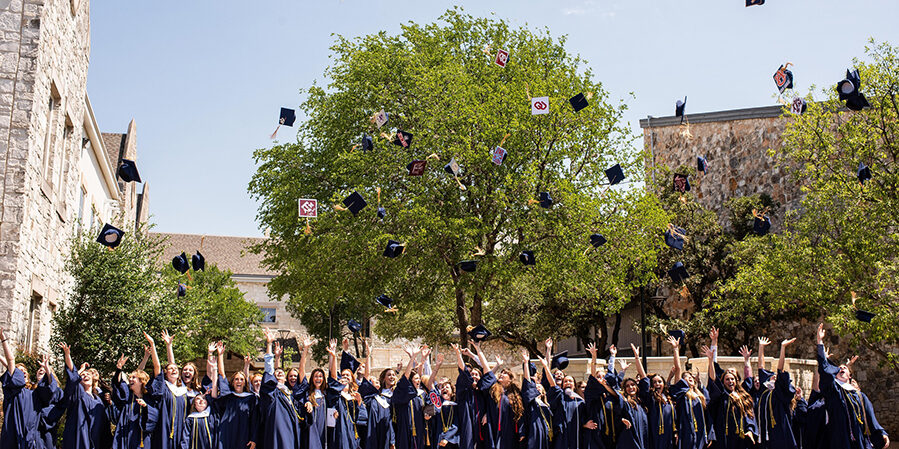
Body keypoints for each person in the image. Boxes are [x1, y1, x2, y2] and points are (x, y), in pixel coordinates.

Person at [814, 323, 889, 449]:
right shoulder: (833, 390)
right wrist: (820, 342)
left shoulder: (859, 395)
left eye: (845, 368)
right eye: (839, 369)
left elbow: (870, 416)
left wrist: (881, 433)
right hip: (839, 439)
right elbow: (825, 372)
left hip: (859, 439)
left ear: (850, 375)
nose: (842, 368)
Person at [705, 328, 757, 449]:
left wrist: (750, 430)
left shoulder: (743, 397)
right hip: (724, 437)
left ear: (737, 381)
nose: (730, 381)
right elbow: (713, 378)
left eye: (732, 379)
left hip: (741, 438)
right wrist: (714, 344)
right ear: (722, 382)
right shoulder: (721, 395)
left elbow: (750, 416)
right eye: (727, 379)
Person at [258, 329, 307, 449]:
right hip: (277, 430)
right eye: (277, 373)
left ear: (285, 378)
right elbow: (269, 370)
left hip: (291, 429)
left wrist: (305, 350)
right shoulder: (272, 392)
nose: (279, 372)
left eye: (281, 372)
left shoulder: (290, 394)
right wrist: (269, 345)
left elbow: (302, 380)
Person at [58, 341, 112, 449]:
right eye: (83, 375)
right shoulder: (77, 394)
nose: (86, 375)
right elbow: (72, 376)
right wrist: (68, 355)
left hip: (95, 441)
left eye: (88, 374)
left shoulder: (98, 400)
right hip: (78, 439)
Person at [210, 341, 261, 449]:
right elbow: (222, 375)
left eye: (241, 379)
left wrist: (254, 438)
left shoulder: (251, 399)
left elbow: (255, 421)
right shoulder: (228, 397)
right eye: (236, 379)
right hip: (227, 434)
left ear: (245, 382)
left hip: (244, 436)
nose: (239, 381)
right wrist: (220, 355)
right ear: (232, 382)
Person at [754, 336, 801, 449]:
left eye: (776, 377)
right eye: (772, 376)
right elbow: (761, 367)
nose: (773, 376)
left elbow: (780, 369)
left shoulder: (780, 392)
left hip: (779, 431)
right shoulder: (764, 390)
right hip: (765, 433)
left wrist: (783, 348)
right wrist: (761, 347)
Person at [475, 342, 522, 449]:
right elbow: (486, 368)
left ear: (510, 379)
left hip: (508, 431)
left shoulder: (515, 395)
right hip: (492, 426)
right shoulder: (493, 388)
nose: (501, 374)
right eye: (501, 372)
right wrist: (478, 349)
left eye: (505, 373)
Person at [0, 327, 39, 449]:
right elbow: (11, 361)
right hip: (13, 431)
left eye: (25, 371)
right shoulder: (15, 388)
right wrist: (3, 338)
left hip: (29, 436)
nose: (23, 373)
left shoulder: (33, 392)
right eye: (20, 371)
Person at [109, 352, 159, 449]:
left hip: (141, 437)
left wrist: (145, 407)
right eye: (129, 377)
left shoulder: (149, 397)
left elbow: (154, 417)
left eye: (133, 377)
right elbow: (117, 383)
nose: (130, 379)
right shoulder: (127, 395)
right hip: (125, 433)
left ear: (141, 381)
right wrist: (119, 369)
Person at [668, 338, 710, 449]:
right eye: (686, 377)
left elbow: (708, 416)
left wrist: (710, 433)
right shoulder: (682, 392)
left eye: (691, 377)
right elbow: (678, 369)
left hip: (701, 432)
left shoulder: (701, 395)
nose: (690, 378)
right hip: (687, 431)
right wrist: (676, 349)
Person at [632, 341, 674, 449]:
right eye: (654, 382)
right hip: (654, 436)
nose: (657, 384)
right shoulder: (650, 398)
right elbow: (643, 376)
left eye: (660, 381)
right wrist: (637, 357)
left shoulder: (669, 399)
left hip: (669, 436)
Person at [326, 339, 367, 449]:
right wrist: (333, 357)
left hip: (352, 432)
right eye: (342, 375)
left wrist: (359, 402)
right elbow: (333, 376)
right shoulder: (336, 394)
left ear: (352, 379)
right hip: (339, 429)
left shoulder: (354, 396)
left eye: (347, 375)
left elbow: (362, 417)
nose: (344, 377)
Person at [357, 339, 395, 449]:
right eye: (373, 382)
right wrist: (368, 356)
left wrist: (392, 439)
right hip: (372, 434)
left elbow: (389, 420)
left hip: (385, 434)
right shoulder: (370, 398)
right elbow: (367, 375)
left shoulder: (385, 399)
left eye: (378, 381)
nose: (376, 383)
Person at [181, 349, 219, 449]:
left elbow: (210, 376)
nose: (187, 372)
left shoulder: (198, 391)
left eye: (190, 370)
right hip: (181, 421)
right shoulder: (177, 389)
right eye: (185, 370)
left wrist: (210, 355)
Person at [392, 344, 425, 449]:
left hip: (418, 429)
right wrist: (413, 357)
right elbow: (406, 376)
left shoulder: (419, 395)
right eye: (416, 378)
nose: (419, 380)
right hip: (404, 429)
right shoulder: (400, 392)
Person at [519, 349, 551, 449]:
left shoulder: (545, 402)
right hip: (534, 431)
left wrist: (548, 350)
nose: (537, 386)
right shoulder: (530, 399)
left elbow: (547, 374)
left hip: (545, 433)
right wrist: (525, 362)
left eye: (539, 386)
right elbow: (527, 381)